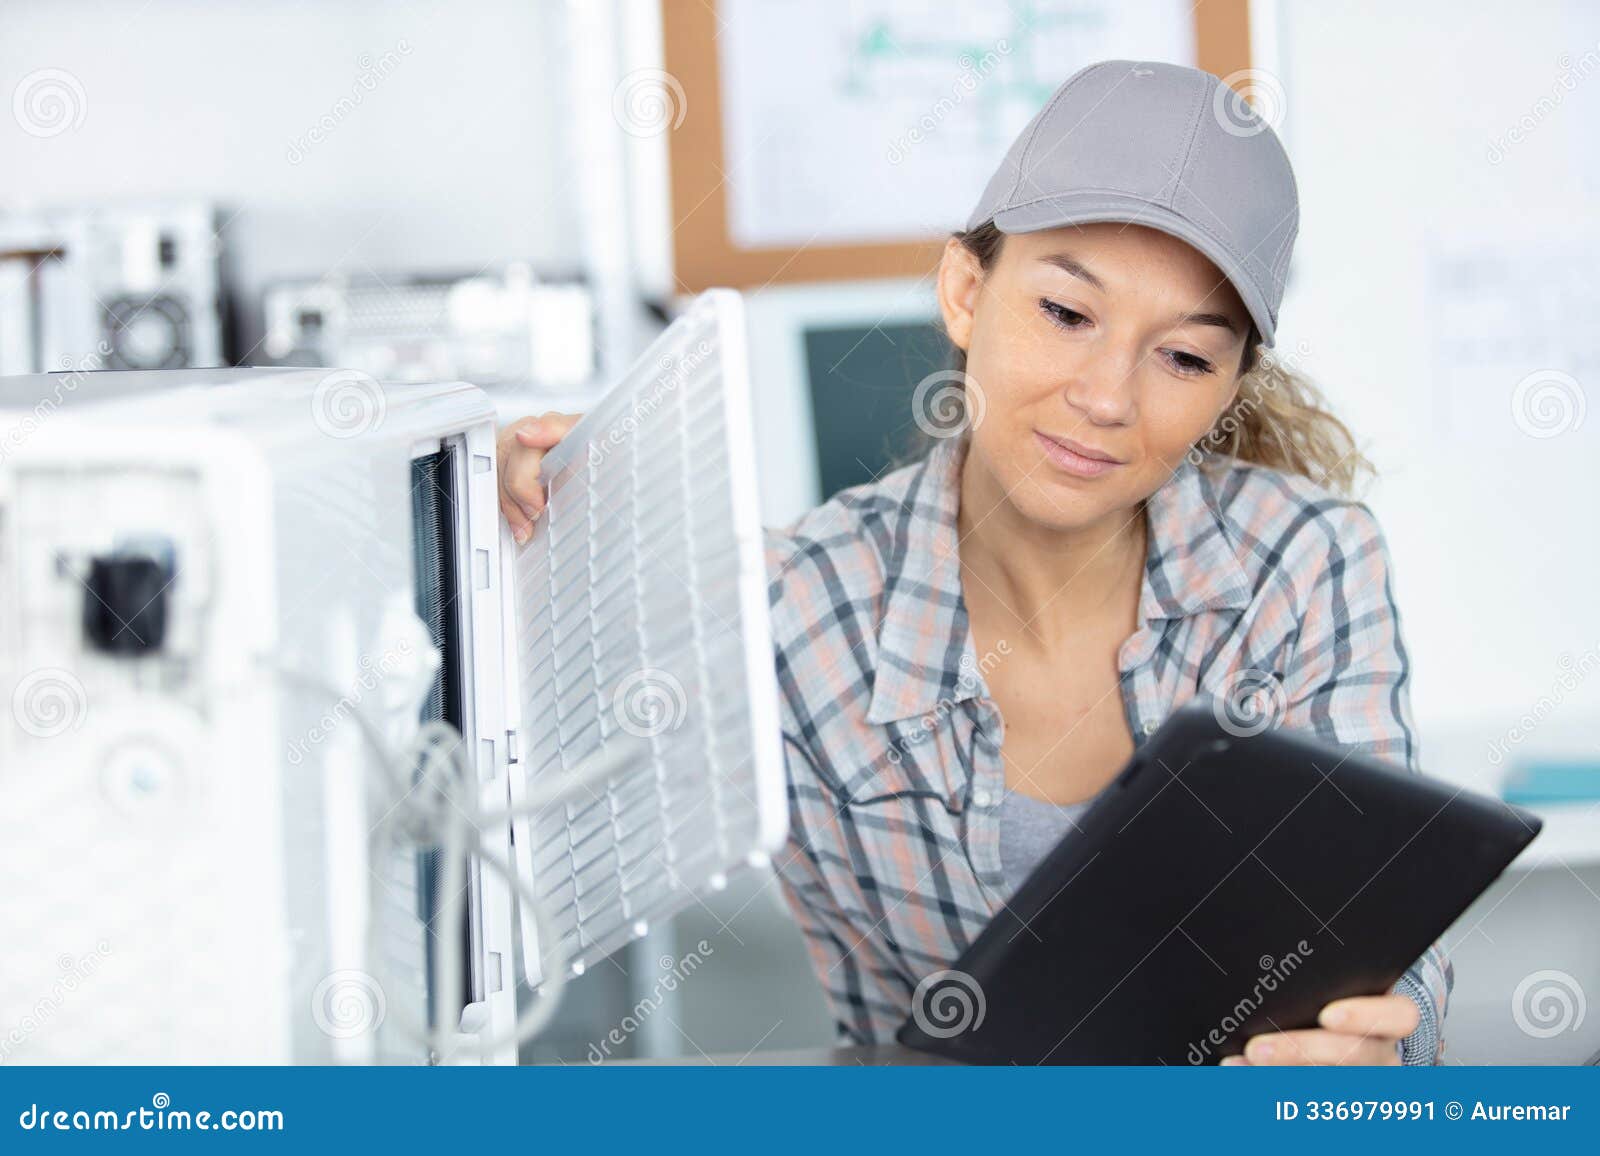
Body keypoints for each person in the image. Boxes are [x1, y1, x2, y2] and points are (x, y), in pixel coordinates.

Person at [497, 60, 1450, 1065]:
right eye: (1067, 313)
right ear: (965, 289)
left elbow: (1389, 951)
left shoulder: (1299, 564)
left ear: (1226, 392)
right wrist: (532, 523)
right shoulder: (787, 607)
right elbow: (505, 797)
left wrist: (1383, 1056)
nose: (1106, 396)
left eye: (1182, 356)